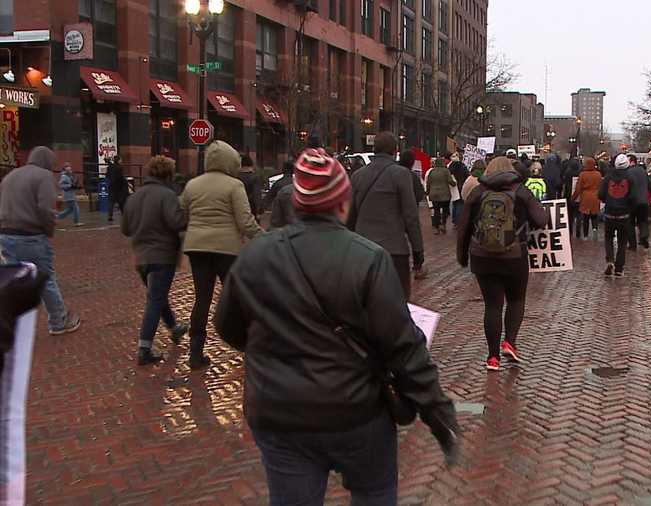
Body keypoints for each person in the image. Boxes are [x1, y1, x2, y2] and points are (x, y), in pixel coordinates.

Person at [214, 149, 459, 505]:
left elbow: (230, 328)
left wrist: (276, 353)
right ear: (343, 202)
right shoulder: (368, 259)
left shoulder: (256, 255)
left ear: (297, 202)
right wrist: (437, 412)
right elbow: (403, 348)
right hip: (356, 412)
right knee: (374, 492)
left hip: (280, 413)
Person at [457, 156, 549, 371]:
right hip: (514, 256)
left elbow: (463, 228)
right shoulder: (521, 191)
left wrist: (462, 256)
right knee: (516, 300)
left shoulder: (477, 192)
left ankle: (493, 357)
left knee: (492, 305)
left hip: (482, 257)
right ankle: (510, 342)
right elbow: (541, 221)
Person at [180, 140, 262, 369]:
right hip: (227, 249)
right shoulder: (234, 186)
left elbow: (181, 213)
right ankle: (247, 345)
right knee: (236, 297)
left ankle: (195, 352)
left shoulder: (192, 185)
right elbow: (246, 222)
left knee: (201, 299)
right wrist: (264, 237)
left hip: (197, 248)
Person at [0, 146, 81, 335]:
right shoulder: (43, 177)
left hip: (6, 235)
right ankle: (59, 320)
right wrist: (48, 230)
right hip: (30, 235)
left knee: (15, 281)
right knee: (45, 278)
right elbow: (46, 209)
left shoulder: (11, 176)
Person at [120, 156, 189, 365]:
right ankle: (144, 347)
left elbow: (125, 228)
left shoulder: (134, 197)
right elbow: (177, 222)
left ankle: (173, 327)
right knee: (155, 299)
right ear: (168, 175)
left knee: (157, 295)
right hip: (162, 255)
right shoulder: (167, 196)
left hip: (141, 256)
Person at [350, 132, 425, 301]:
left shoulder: (357, 176)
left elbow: (350, 216)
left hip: (362, 249)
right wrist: (418, 250)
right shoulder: (401, 174)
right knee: (397, 304)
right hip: (394, 250)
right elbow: (410, 216)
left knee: (365, 303)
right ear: (395, 150)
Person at [599, 154, 637, 277]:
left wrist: (607, 201)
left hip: (610, 213)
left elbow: (601, 194)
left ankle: (609, 260)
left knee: (608, 238)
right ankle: (619, 268)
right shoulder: (631, 178)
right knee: (622, 242)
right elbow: (633, 197)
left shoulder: (608, 177)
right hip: (624, 214)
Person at [627, 154, 651, 249]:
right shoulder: (643, 171)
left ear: (631, 161)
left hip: (632, 201)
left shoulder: (628, 172)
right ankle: (644, 237)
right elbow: (650, 185)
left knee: (630, 222)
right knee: (643, 220)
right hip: (644, 201)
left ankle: (632, 244)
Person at [572, 157, 603, 241]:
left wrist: (573, 198)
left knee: (585, 217)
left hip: (585, 197)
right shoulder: (598, 174)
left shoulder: (583, 174)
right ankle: (595, 230)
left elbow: (578, 188)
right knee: (594, 216)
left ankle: (585, 235)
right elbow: (601, 187)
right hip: (596, 197)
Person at [425, 159, 455, 235]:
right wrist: (454, 183)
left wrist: (428, 192)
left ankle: (437, 228)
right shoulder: (446, 171)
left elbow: (428, 183)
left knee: (436, 211)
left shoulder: (432, 172)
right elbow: (450, 181)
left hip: (434, 194)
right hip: (445, 194)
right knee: (445, 210)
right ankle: (443, 225)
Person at [563, 156, 583, 238]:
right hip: (578, 195)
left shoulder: (567, 172)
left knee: (570, 215)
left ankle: (570, 231)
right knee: (578, 214)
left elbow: (565, 184)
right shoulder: (580, 172)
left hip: (568, 195)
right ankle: (578, 231)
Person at [447, 152, 468, 226]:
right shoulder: (462, 166)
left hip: (453, 187)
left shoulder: (450, 166)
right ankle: (458, 220)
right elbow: (467, 175)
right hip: (461, 186)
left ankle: (454, 220)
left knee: (454, 203)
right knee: (460, 204)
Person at [106, 155, 129, 223]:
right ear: (118, 160)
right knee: (121, 202)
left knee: (111, 202)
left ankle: (110, 215)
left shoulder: (110, 167)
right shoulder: (120, 168)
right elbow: (121, 178)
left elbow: (107, 175)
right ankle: (124, 215)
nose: (121, 161)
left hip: (112, 186)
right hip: (119, 187)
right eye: (121, 159)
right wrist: (125, 183)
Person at [238, 154, 261, 219]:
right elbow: (256, 194)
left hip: (238, 206)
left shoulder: (235, 177)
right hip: (251, 206)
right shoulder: (254, 177)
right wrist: (259, 210)